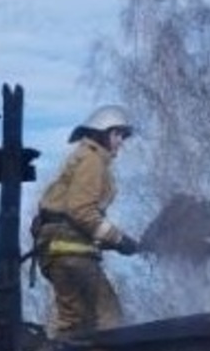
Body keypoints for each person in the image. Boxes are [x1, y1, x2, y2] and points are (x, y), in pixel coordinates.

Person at [32, 104, 140, 338]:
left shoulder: (82, 157)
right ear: (102, 132)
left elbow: (74, 216)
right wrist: (118, 238)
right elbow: (81, 211)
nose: (121, 141)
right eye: (117, 134)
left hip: (59, 251)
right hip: (71, 253)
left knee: (75, 323)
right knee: (109, 319)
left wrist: (118, 244)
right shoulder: (93, 160)